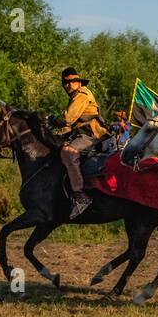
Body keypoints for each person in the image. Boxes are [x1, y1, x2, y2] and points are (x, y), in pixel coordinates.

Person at [52, 68, 105, 220]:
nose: (68, 85)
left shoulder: (82, 94)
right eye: (65, 82)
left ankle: (80, 196)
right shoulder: (75, 96)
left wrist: (53, 120)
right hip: (82, 134)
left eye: (71, 82)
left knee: (68, 152)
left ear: (78, 82)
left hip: (92, 135)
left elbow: (68, 119)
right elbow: (68, 126)